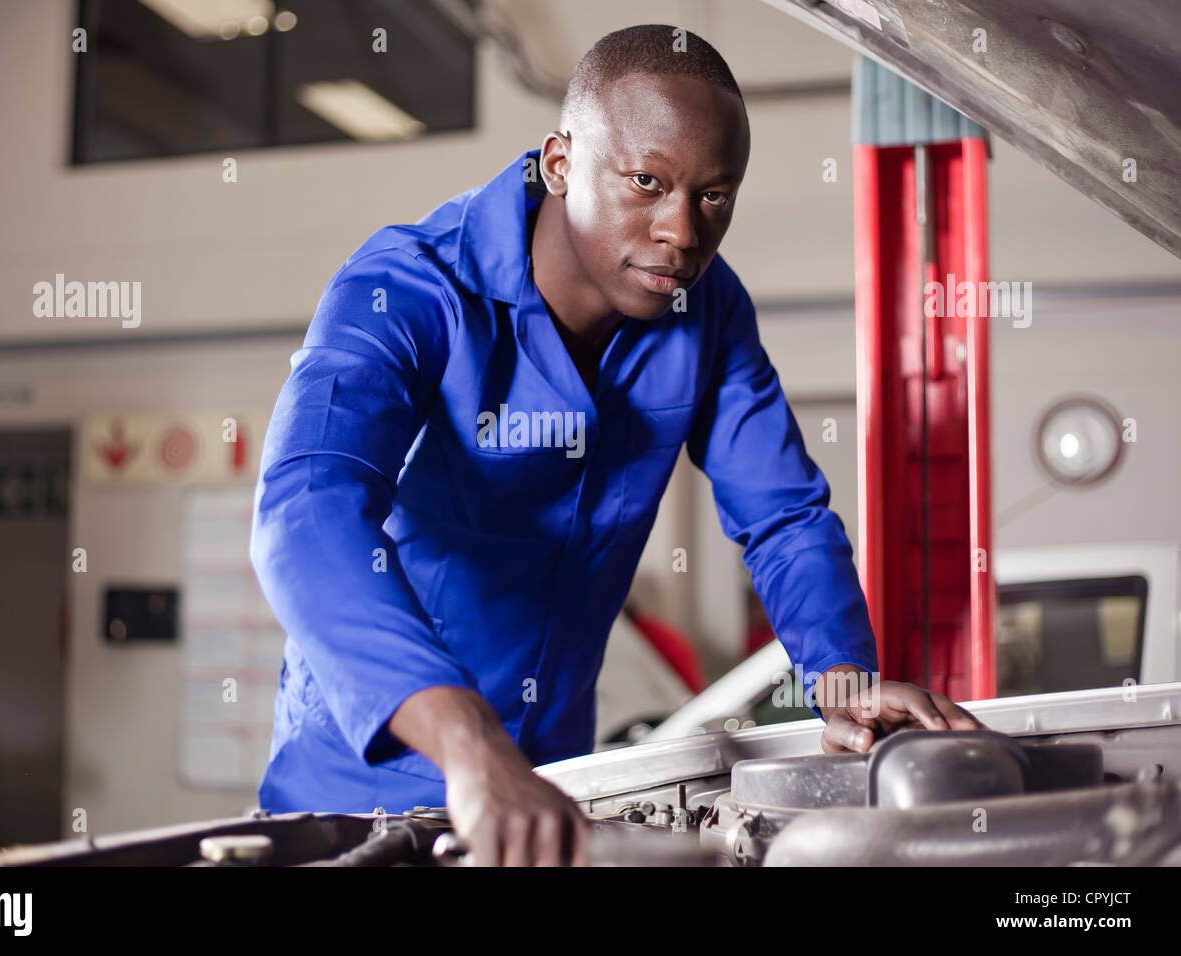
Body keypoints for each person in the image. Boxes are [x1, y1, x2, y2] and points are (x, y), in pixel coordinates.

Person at [250, 24, 979, 866]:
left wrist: (842, 681)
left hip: (559, 793)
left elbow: (782, 517)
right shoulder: (407, 289)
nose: (682, 231)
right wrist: (467, 740)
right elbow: (307, 510)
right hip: (357, 806)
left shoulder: (705, 312)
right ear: (560, 163)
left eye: (714, 196)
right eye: (646, 182)